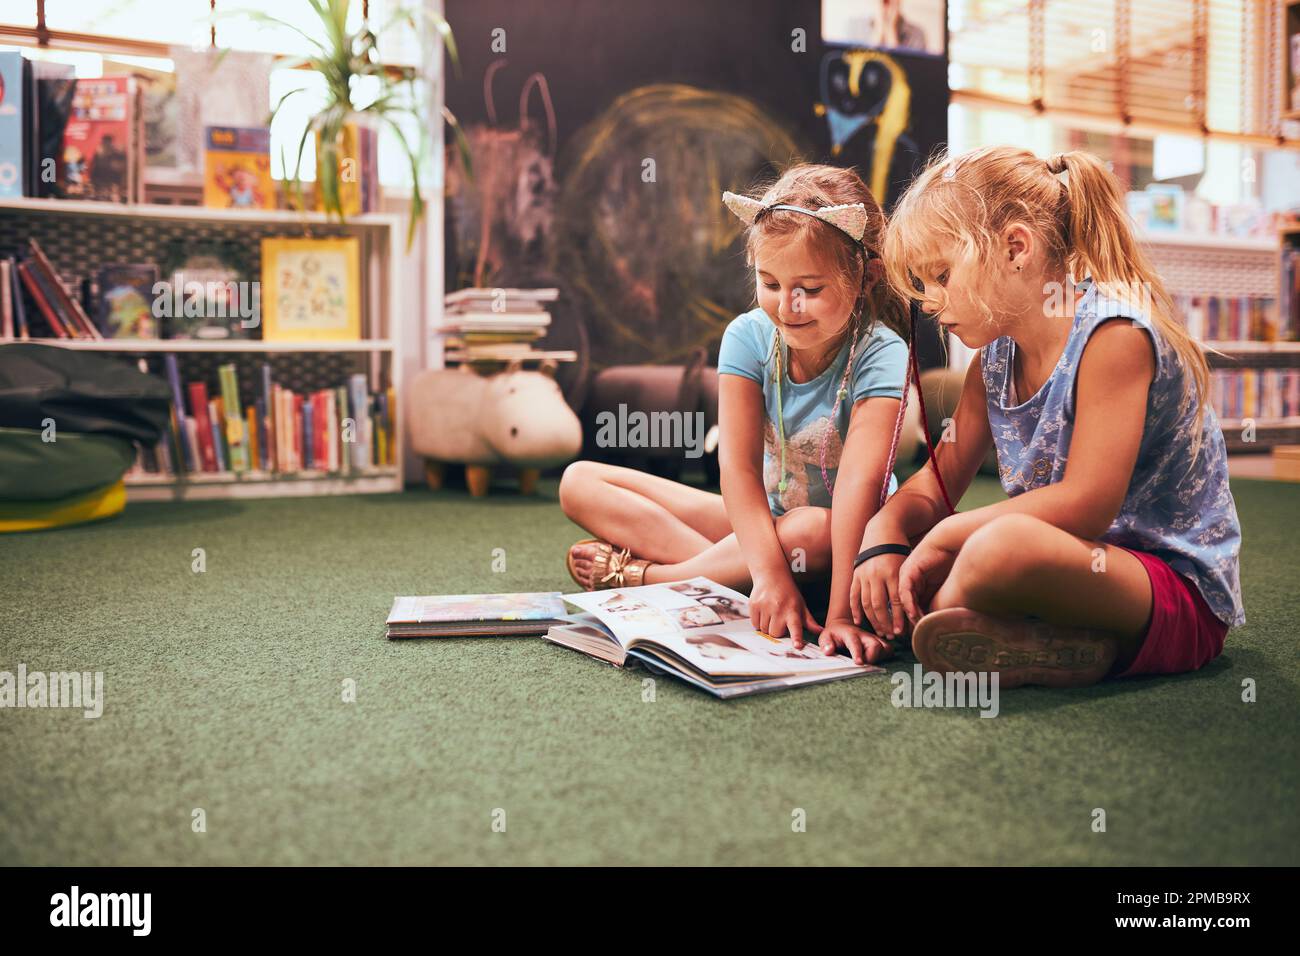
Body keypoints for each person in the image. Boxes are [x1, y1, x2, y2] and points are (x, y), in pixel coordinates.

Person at [848, 145, 1244, 688]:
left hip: (1168, 592)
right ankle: (1046, 644)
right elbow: (935, 483)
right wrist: (883, 534)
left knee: (994, 548)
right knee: (911, 558)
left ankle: (949, 612)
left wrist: (942, 541)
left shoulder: (1113, 337)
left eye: (941, 274)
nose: (930, 302)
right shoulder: (991, 362)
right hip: (1071, 572)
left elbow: (1085, 504)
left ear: (1017, 247)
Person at [561, 164, 909, 665]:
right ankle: (749, 579)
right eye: (770, 283)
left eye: (810, 289)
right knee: (579, 480)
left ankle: (651, 578)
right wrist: (768, 572)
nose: (788, 306)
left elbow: (859, 483)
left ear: (865, 277)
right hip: (766, 524)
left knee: (810, 529)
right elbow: (739, 468)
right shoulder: (747, 336)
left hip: (842, 538)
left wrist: (839, 616)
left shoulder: (882, 351)